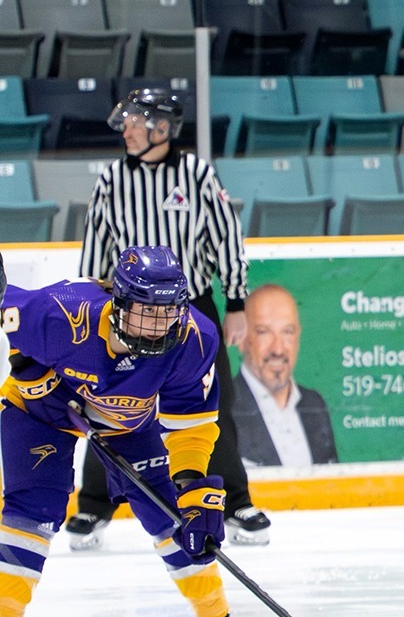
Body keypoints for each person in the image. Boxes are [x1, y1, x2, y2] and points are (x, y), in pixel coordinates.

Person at [0, 248, 264, 617]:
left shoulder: (194, 339)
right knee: (35, 510)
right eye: (146, 312)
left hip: (128, 423)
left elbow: (193, 426)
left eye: (167, 313)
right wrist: (30, 372)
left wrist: (191, 487)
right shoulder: (62, 312)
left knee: (176, 519)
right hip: (41, 412)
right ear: (119, 304)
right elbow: (9, 307)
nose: (158, 325)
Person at [69, 87, 271, 551]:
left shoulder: (196, 174)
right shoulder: (112, 180)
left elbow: (226, 237)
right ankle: (94, 503)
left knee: (211, 407)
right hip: (124, 314)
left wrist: (236, 302)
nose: (127, 129)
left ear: (162, 127)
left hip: (192, 311)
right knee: (109, 403)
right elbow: (96, 245)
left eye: (136, 122)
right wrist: (89, 303)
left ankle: (234, 500)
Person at [232, 283, 337, 466]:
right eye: (263, 332)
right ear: (242, 339)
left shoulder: (314, 404)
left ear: (298, 337)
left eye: (287, 332)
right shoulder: (223, 407)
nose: (278, 349)